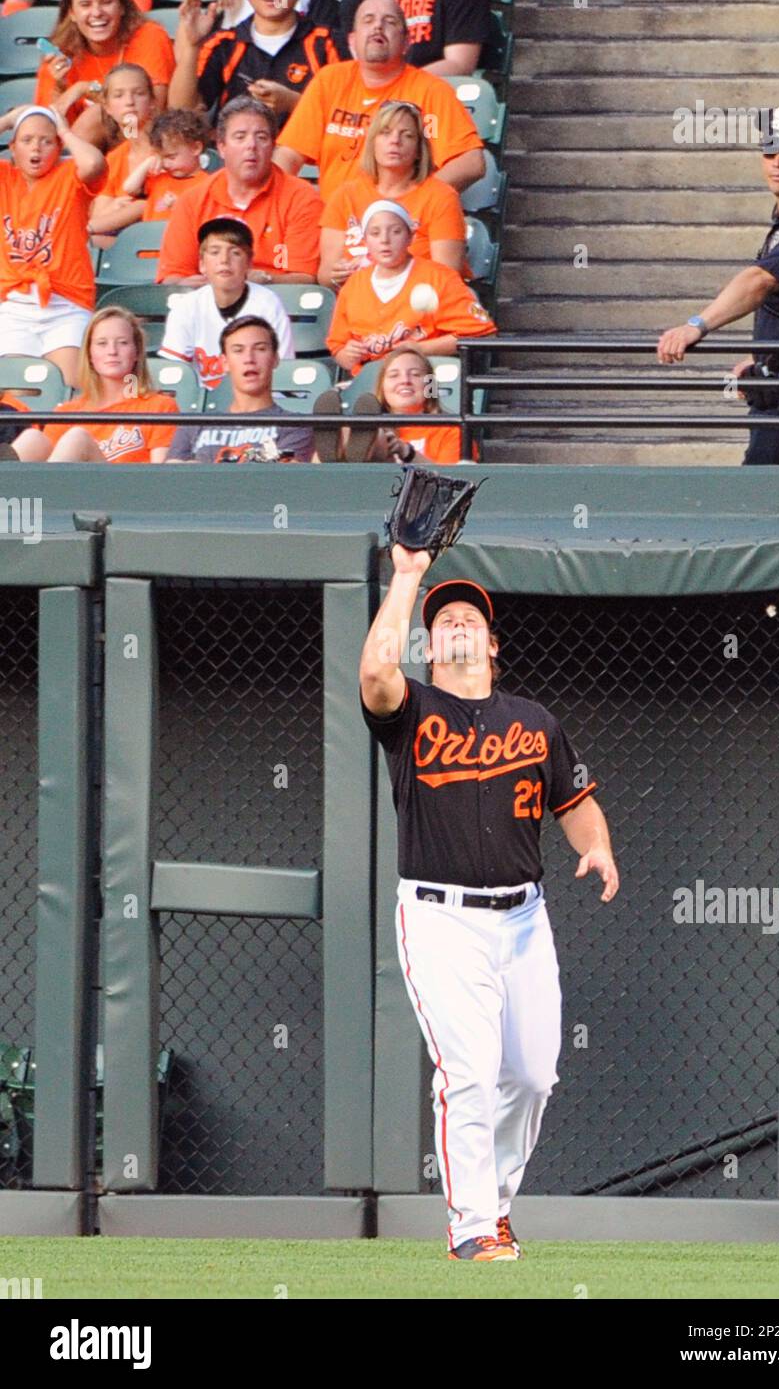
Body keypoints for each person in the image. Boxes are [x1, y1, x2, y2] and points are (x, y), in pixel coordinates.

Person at [359, 556, 619, 1260]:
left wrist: (595, 846)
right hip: (440, 917)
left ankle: (494, 1208)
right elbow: (375, 675)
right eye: (443, 620)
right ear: (431, 646)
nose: (457, 623)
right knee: (468, 1072)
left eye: (470, 616)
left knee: (533, 1075)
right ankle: (472, 1226)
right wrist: (408, 576)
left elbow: (576, 803)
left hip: (523, 918)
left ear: (493, 645)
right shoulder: (410, 710)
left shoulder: (534, 723)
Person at [657, 106, 779, 467]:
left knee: (761, 499)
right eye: (770, 153)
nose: (778, 163)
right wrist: (762, 359)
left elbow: (760, 281)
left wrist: (697, 325)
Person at [273, 0, 485, 203]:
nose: (377, 27)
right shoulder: (329, 81)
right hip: (334, 223)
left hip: (399, 228)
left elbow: (471, 163)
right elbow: (287, 156)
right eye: (368, 20)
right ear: (351, 41)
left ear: (406, 42)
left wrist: (416, 201)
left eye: (390, 22)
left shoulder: (431, 91)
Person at [156, 96, 322, 285]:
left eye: (261, 137)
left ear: (273, 147)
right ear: (221, 147)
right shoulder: (192, 200)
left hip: (279, 304)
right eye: (240, 137)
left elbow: (305, 278)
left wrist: (261, 280)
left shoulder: (301, 197)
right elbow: (172, 278)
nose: (251, 145)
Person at [0, 104, 106, 386]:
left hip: (66, 302)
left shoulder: (69, 174)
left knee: (68, 386)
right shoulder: (5, 178)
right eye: (27, 140)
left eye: (47, 141)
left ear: (59, 147)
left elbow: (95, 164)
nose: (36, 148)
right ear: (12, 148)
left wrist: (64, 130)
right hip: (14, 304)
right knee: (18, 397)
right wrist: (8, 119)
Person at [325, 201, 495, 374]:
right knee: (345, 398)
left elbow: (482, 334)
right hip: (372, 381)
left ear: (410, 237)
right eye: (375, 233)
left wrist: (422, 349)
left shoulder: (439, 277)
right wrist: (348, 354)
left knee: (430, 396)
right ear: (365, 240)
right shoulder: (354, 284)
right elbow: (338, 347)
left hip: (430, 376)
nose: (385, 240)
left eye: (396, 232)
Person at [318, 99, 467, 291]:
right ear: (372, 143)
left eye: (407, 135)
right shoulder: (345, 195)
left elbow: (447, 275)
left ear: (419, 150)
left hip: (417, 303)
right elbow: (325, 275)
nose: (395, 141)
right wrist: (337, 274)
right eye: (385, 133)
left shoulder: (441, 197)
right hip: (357, 302)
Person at [12, 306, 178, 463]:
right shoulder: (67, 412)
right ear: (89, 354)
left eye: (123, 342)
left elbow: (160, 479)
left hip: (126, 490)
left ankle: (46, 493)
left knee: (78, 439)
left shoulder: (160, 406)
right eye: (102, 343)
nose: (112, 351)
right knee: (32, 438)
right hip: (73, 488)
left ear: (136, 352)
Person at [159, 217, 294, 390]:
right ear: (202, 264)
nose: (224, 260)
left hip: (258, 405)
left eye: (235, 253)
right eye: (214, 252)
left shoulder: (267, 304)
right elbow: (173, 374)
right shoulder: (186, 307)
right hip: (200, 409)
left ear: (248, 263)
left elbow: (282, 371)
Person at [168, 0, 342, 132]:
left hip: (306, 165)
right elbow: (181, 112)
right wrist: (192, 46)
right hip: (233, 163)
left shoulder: (328, 43)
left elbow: (346, 114)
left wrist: (292, 103)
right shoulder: (223, 43)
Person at [165, 314, 314, 462]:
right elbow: (170, 477)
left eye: (260, 349)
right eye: (238, 350)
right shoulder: (194, 425)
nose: (249, 359)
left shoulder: (296, 426)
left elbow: (276, 481)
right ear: (224, 362)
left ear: (275, 359)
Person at [33, 0, 175, 148]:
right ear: (72, 13)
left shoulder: (149, 36)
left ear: (122, 7)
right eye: (85, 4)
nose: (97, 12)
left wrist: (84, 89)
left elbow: (149, 112)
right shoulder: (60, 54)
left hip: (139, 141)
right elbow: (45, 131)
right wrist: (59, 87)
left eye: (106, 2)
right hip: (86, 156)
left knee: (96, 115)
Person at [88, 76, 207, 236]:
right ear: (107, 107)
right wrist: (113, 206)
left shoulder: (169, 144)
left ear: (152, 102)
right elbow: (100, 209)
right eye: (119, 95)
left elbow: (142, 205)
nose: (129, 102)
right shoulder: (115, 157)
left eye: (138, 93)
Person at [313, 345, 469, 462]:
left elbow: (451, 483)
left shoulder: (450, 430)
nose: (405, 381)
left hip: (416, 498)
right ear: (383, 388)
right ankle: (343, 452)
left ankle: (372, 444)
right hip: (364, 490)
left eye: (415, 375)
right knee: (347, 434)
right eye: (394, 376)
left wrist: (406, 452)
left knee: (380, 439)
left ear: (430, 386)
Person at [341, 0, 491, 75]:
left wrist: (403, 85)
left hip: (432, 92)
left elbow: (460, 64)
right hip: (369, 94)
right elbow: (357, 56)